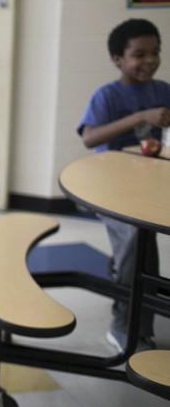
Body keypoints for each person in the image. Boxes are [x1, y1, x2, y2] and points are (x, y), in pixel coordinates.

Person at [77, 18, 170, 353]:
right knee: (137, 239)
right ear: (118, 59)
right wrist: (141, 117)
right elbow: (89, 138)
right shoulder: (107, 95)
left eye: (155, 52)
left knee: (142, 246)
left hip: (149, 189)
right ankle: (126, 327)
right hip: (109, 191)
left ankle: (133, 289)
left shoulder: (163, 91)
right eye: (139, 54)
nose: (149, 60)